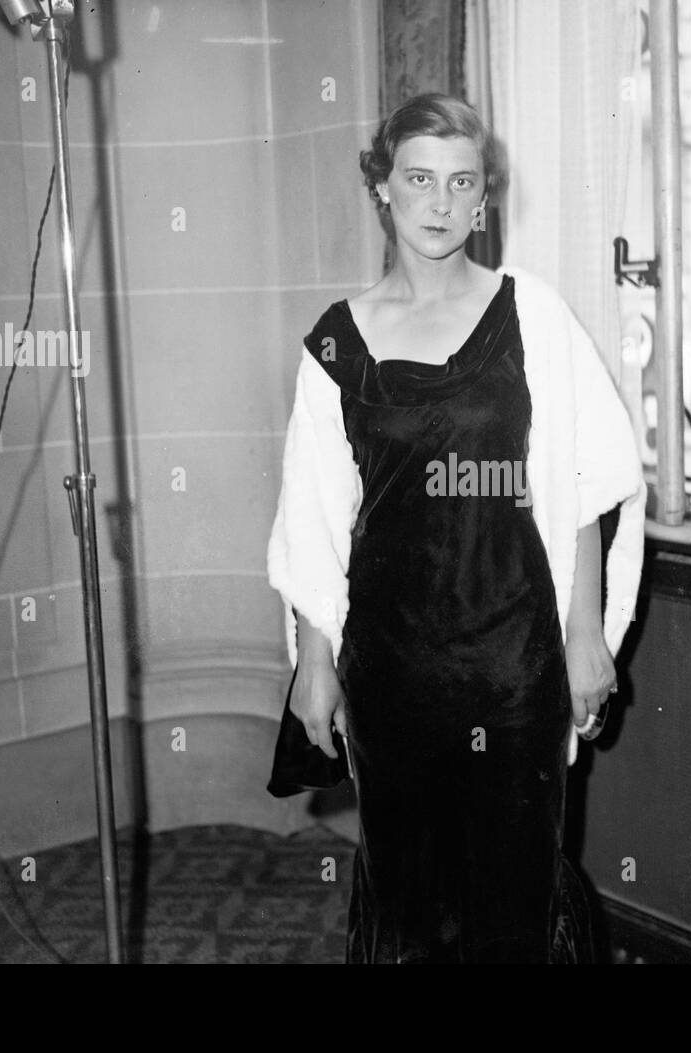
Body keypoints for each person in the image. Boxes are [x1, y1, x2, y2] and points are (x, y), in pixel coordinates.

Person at [267, 93, 645, 963]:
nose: (440, 203)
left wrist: (586, 633)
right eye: (419, 179)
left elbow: (588, 481)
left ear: (484, 197)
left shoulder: (532, 315)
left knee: (513, 903)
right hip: (391, 671)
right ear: (382, 186)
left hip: (513, 668)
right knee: (408, 906)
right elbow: (313, 518)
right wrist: (315, 666)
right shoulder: (336, 343)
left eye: (462, 182)